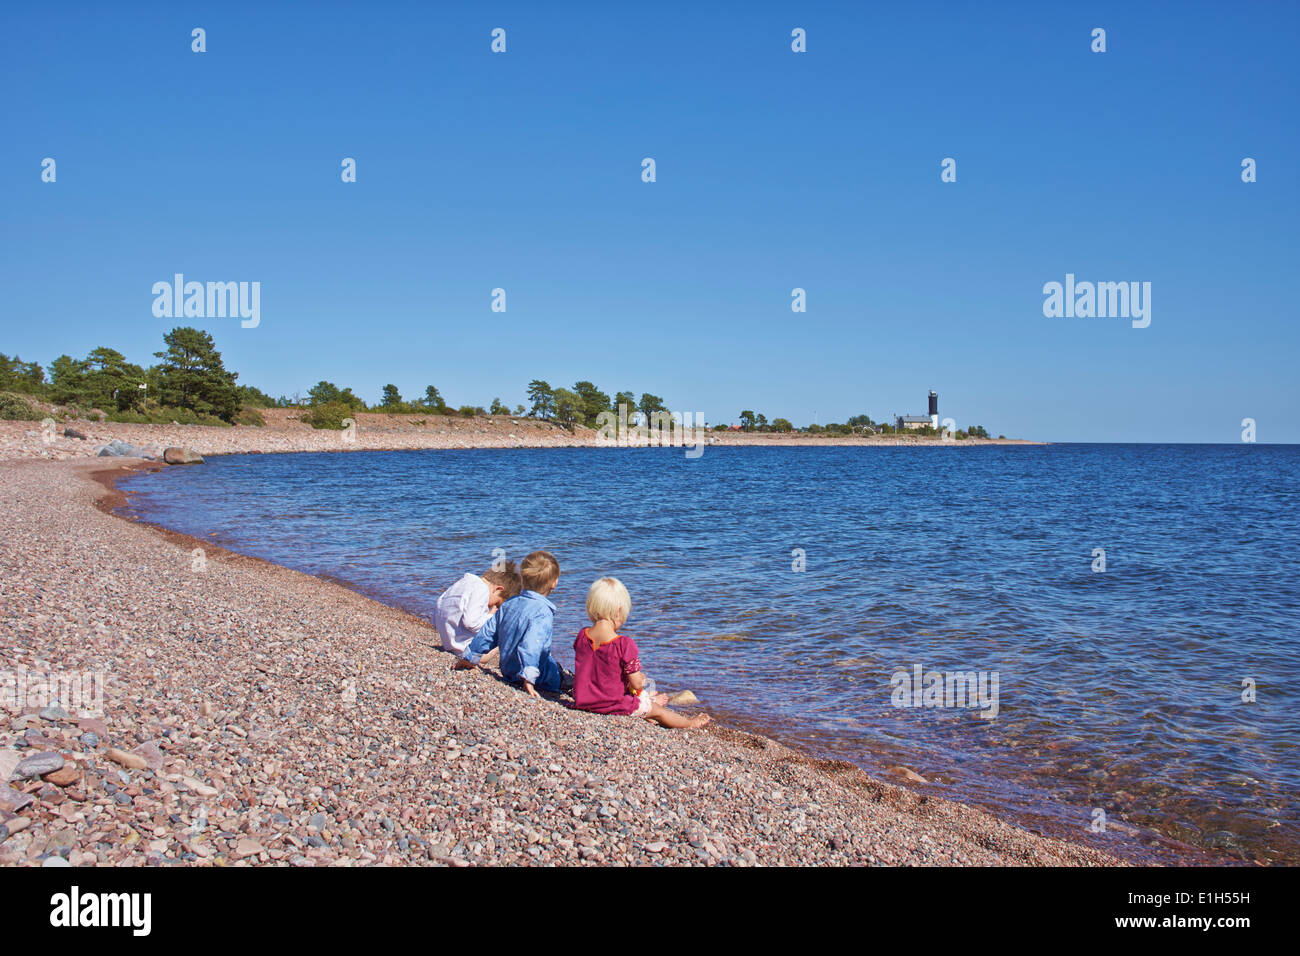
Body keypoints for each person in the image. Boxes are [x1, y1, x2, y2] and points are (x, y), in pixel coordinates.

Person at [572, 577, 710, 729]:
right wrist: (641, 679)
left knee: (635, 695)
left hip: (583, 701)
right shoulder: (624, 644)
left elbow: (597, 670)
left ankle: (647, 704)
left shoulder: (582, 636)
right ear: (619, 610)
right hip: (612, 705)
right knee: (658, 711)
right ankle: (688, 723)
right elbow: (636, 683)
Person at [455, 550, 573, 697]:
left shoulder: (509, 604)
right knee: (560, 675)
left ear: (522, 579)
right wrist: (529, 678)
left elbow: (488, 633)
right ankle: (568, 681)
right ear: (554, 583)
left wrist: (470, 656)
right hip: (539, 676)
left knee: (553, 664)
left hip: (508, 671)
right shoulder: (543, 612)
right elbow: (532, 645)